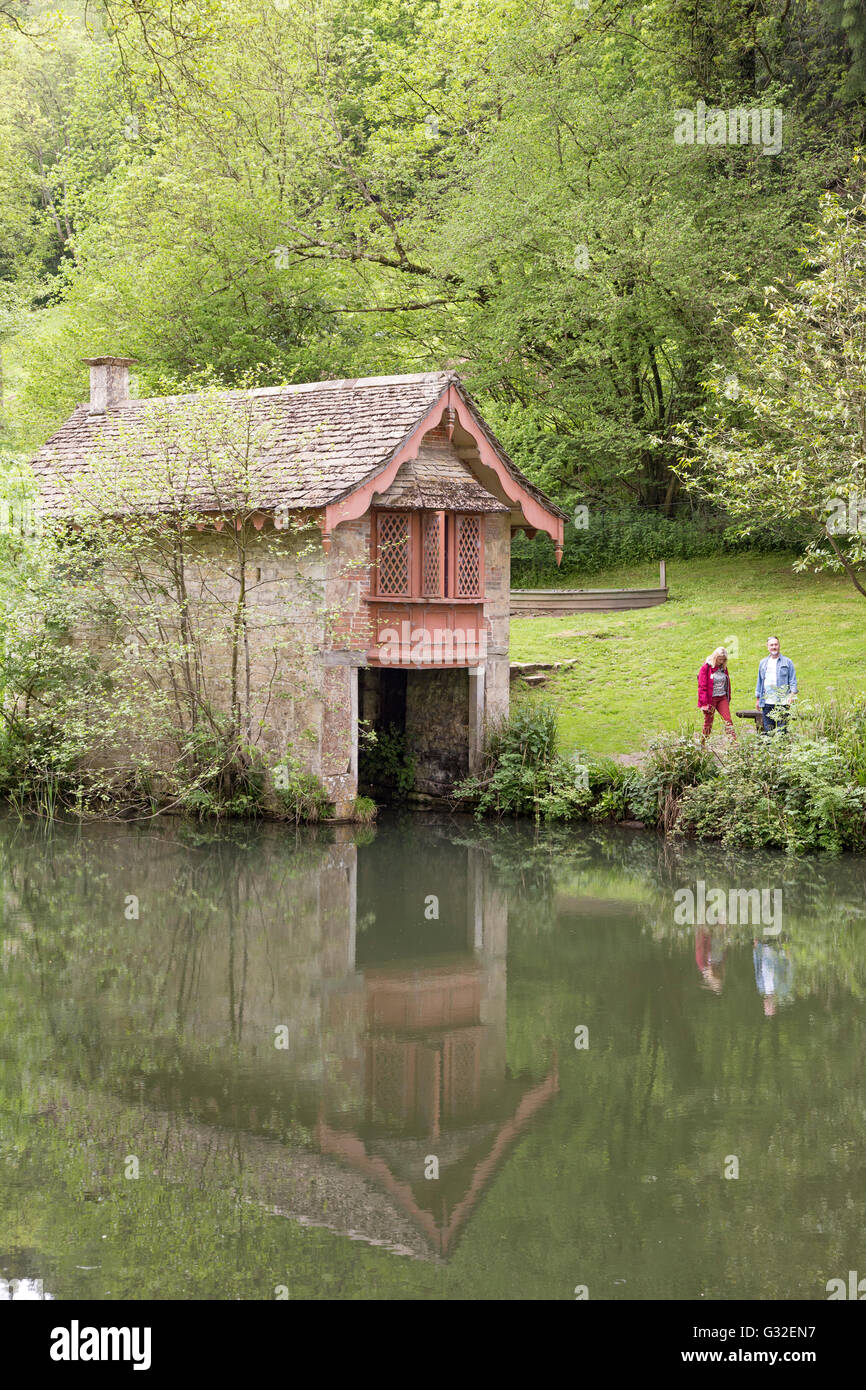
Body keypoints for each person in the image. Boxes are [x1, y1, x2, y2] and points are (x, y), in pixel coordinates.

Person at [755, 636, 797, 734]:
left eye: (776, 644)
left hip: (782, 702)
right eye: (771, 645)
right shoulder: (763, 663)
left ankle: (783, 749)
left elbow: (793, 681)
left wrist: (791, 696)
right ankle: (770, 750)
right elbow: (760, 681)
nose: (774, 647)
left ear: (779, 646)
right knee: (769, 731)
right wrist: (758, 699)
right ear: (768, 647)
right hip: (767, 702)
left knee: (782, 732)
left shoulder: (787, 662)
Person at [698, 646, 737, 742]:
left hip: (722, 698)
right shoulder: (706, 668)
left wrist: (728, 697)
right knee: (708, 724)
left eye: (723, 660)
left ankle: (734, 745)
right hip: (710, 700)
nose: (721, 662)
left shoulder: (723, 668)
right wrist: (704, 704)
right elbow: (702, 686)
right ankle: (702, 745)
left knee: (728, 721)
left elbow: (727, 683)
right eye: (719, 659)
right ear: (715, 657)